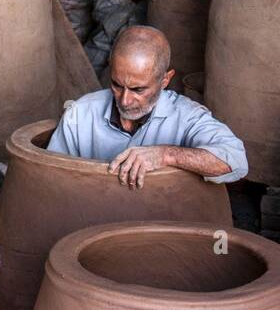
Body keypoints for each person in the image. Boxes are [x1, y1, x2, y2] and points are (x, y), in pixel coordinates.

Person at [47, 25, 248, 188]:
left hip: (159, 225)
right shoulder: (80, 113)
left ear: (165, 80)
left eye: (138, 89)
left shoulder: (186, 116)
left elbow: (236, 160)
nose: (124, 100)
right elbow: (50, 176)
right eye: (117, 85)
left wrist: (166, 155)